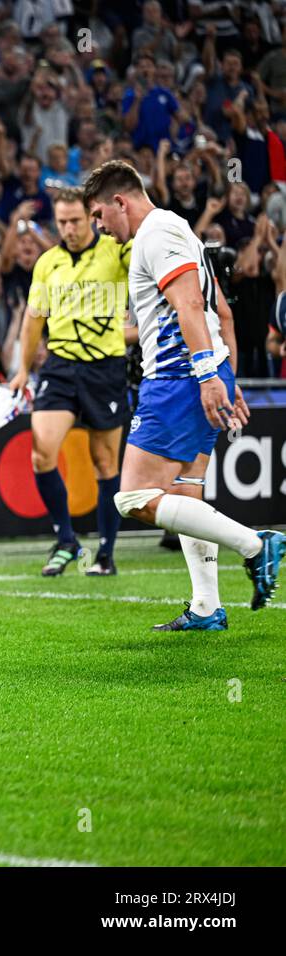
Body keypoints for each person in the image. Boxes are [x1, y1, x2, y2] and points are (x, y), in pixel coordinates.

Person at [82, 160, 284, 628]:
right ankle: (207, 607)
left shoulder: (156, 232)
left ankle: (257, 544)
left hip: (177, 379)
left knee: (132, 496)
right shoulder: (178, 232)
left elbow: (192, 305)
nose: (98, 226)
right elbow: (223, 314)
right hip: (200, 373)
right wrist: (223, 377)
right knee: (184, 494)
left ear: (120, 201)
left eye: (97, 214)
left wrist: (208, 376)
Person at [7, 187, 134, 577]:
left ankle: (107, 553)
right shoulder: (47, 262)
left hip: (106, 368)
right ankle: (66, 541)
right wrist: (23, 367)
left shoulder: (118, 251)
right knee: (41, 454)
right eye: (61, 222)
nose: (69, 229)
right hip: (60, 366)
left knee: (104, 463)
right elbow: (33, 318)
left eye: (75, 220)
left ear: (91, 217)